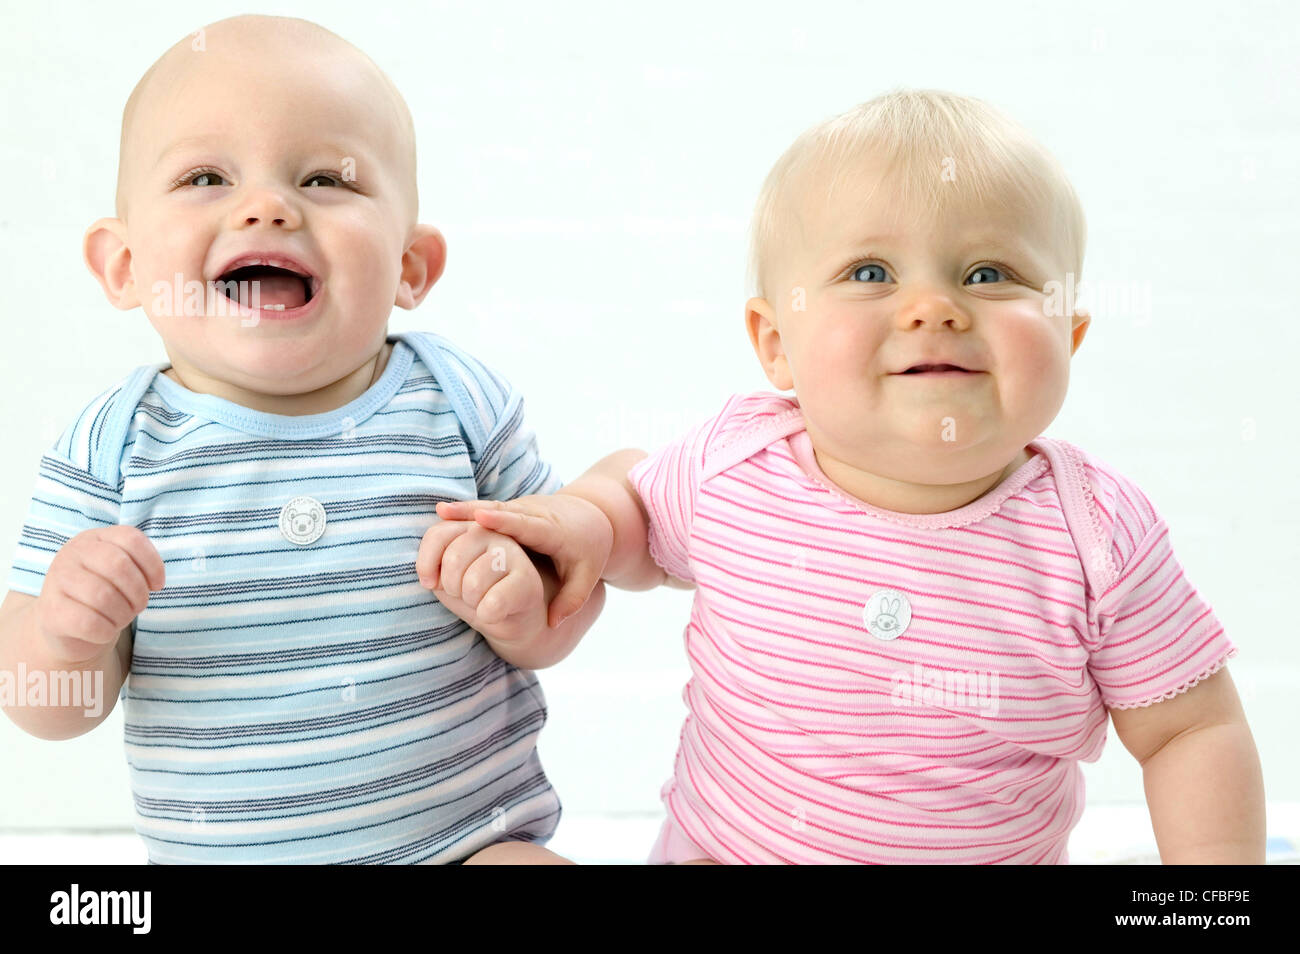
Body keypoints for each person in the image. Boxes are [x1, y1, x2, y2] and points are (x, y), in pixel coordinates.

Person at [430, 88, 1265, 864]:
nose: (934, 306)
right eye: (871, 274)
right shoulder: (737, 464)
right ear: (775, 345)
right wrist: (585, 520)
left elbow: (1190, 732)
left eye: (989, 274)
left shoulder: (1094, 535)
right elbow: (635, 504)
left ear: (1069, 338)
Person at [0, 14, 590, 864]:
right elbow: (44, 706)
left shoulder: (459, 402)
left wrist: (521, 602)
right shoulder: (113, 447)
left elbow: (566, 600)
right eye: (206, 176)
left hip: (468, 845)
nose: (268, 207)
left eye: (324, 178)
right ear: (122, 266)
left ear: (410, 267)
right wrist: (64, 635)